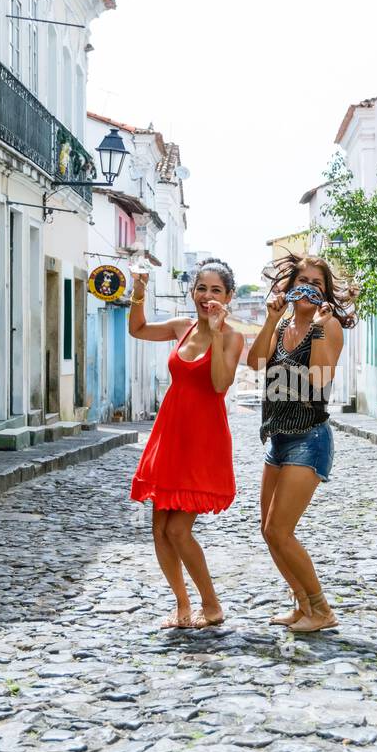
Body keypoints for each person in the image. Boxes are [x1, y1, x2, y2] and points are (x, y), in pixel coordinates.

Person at [128, 258, 242, 629]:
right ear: (192, 292)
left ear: (228, 297)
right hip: (170, 433)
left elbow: (220, 384)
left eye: (216, 290)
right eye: (202, 289)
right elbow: (139, 330)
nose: (207, 297)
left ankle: (211, 605)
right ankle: (181, 606)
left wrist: (217, 331)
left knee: (179, 529)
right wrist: (140, 292)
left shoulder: (233, 337)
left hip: (203, 440)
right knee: (159, 527)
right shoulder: (181, 327)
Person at [248, 252, 357, 632]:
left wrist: (322, 328)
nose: (307, 287)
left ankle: (322, 610)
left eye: (316, 283)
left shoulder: (330, 328)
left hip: (309, 438)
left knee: (280, 530)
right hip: (276, 437)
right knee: (267, 529)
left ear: (325, 292)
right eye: (301, 282)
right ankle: (301, 604)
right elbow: (254, 361)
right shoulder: (281, 326)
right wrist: (271, 319)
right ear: (290, 287)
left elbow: (318, 378)